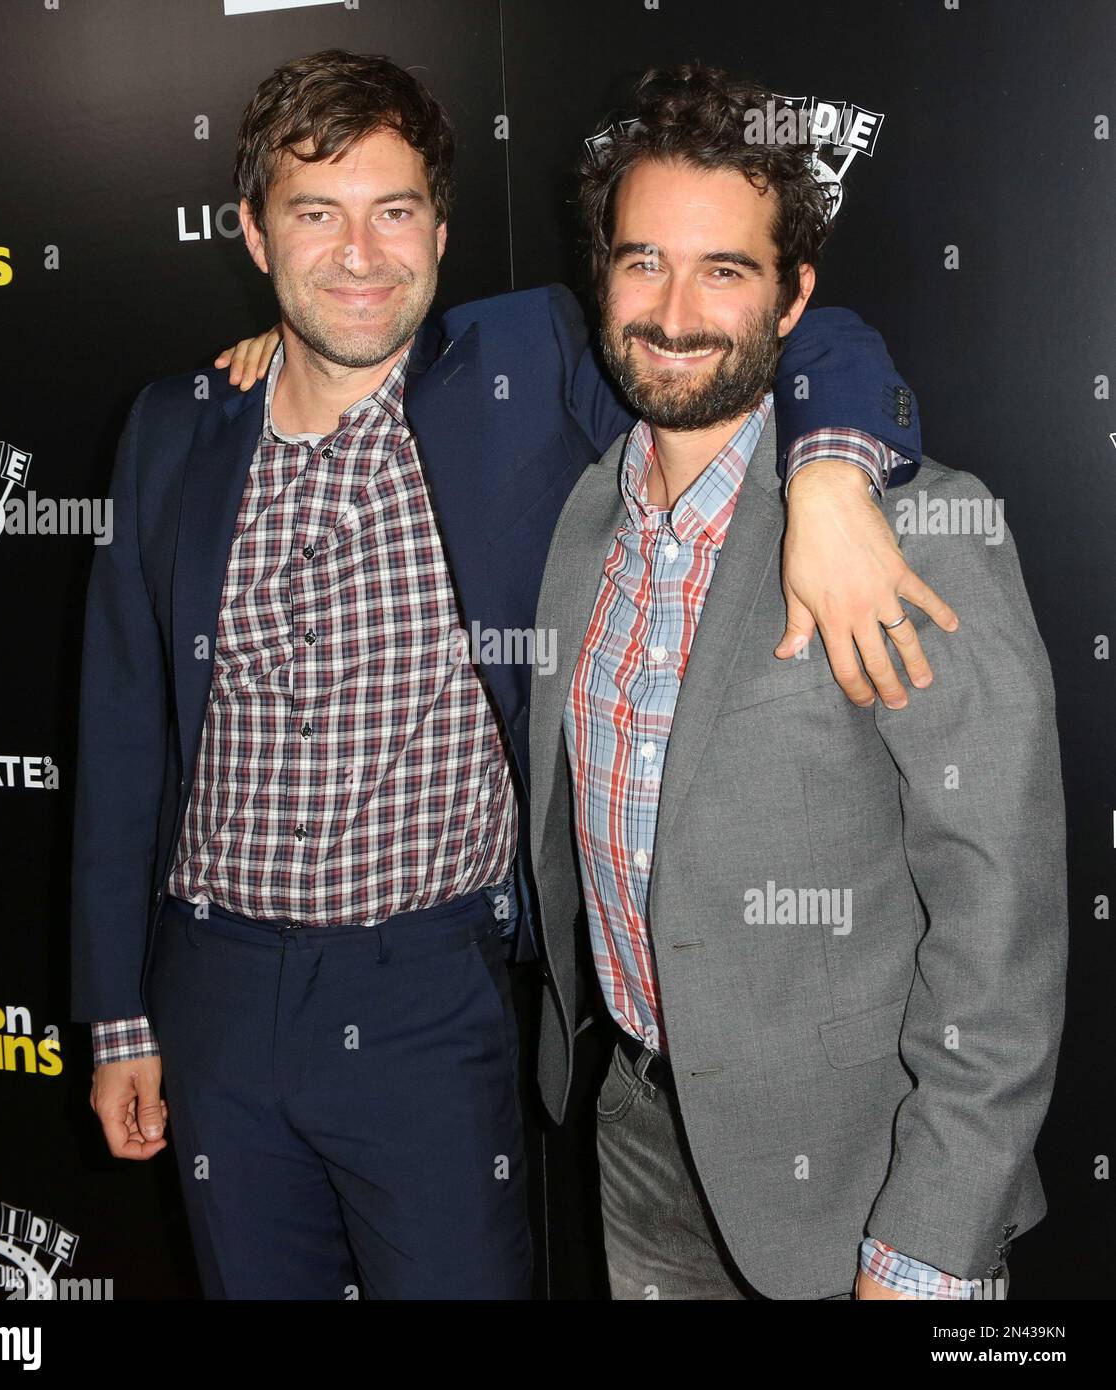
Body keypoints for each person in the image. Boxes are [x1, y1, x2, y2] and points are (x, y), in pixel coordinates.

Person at [72, 49, 954, 1299]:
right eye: (314, 215)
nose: (359, 253)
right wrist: (121, 1016)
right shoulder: (177, 424)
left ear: (439, 226)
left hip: (432, 995)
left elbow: (801, 332)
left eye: (393, 211)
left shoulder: (530, 363)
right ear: (253, 236)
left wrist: (832, 470)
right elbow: (120, 736)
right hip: (210, 995)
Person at [527, 62, 1067, 1300]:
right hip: (638, 1140)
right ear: (600, 273)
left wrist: (925, 1242)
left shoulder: (917, 533)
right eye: (641, 260)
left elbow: (1001, 927)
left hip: (864, 1192)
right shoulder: (577, 522)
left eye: (724, 269)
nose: (672, 309)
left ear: (792, 300)